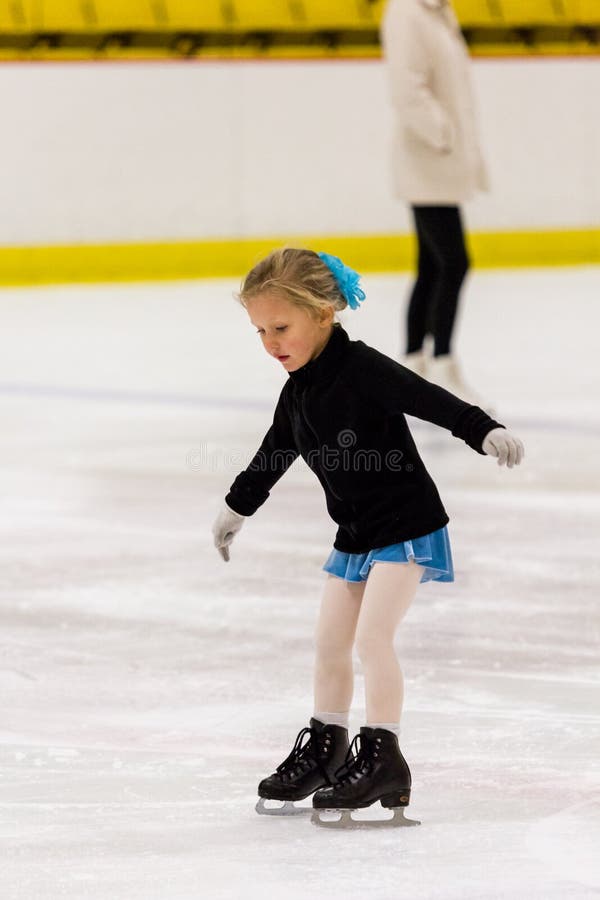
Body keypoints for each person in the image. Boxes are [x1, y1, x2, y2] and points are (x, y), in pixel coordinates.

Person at [211, 248, 523, 828]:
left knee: (372, 640)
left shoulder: (361, 368)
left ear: (324, 313)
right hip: (355, 534)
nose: (270, 342)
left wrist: (483, 429)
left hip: (405, 526)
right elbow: (276, 449)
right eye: (259, 330)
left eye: (281, 327)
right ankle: (328, 746)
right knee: (330, 643)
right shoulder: (299, 387)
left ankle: (383, 755)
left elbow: (428, 398)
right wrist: (238, 505)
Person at [381, 0, 490, 406]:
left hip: (442, 163)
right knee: (454, 262)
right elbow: (406, 90)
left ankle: (412, 361)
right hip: (427, 159)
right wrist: (442, 135)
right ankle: (442, 362)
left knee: (431, 264)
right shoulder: (407, 12)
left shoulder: (438, 11)